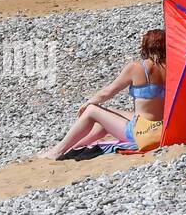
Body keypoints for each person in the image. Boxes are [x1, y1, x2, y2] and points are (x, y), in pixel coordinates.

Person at [41, 30, 165, 160]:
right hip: (160, 127)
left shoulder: (136, 67)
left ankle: (57, 151)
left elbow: (109, 91)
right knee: (109, 113)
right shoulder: (170, 68)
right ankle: (76, 145)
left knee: (92, 111)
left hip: (140, 132)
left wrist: (88, 103)